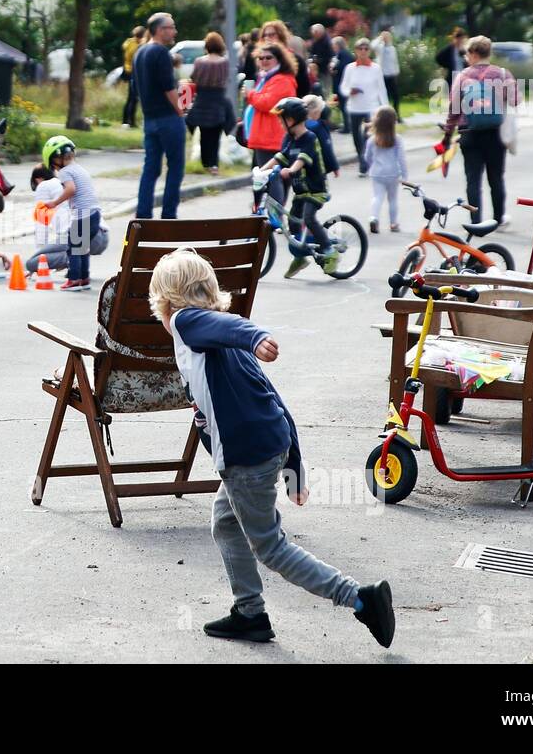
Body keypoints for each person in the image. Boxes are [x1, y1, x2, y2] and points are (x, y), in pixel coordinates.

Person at [147, 249, 395, 648]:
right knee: (226, 523)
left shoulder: (185, 322)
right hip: (267, 448)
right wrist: (294, 464)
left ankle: (360, 598)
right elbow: (275, 400)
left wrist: (256, 335)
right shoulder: (223, 348)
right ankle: (250, 614)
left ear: (166, 301)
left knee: (271, 547)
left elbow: (215, 321)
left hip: (247, 459)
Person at [256, 97, 338, 278]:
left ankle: (329, 250)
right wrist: (261, 170)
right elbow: (280, 156)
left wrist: (291, 170)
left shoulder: (309, 138)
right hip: (301, 191)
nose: (279, 123)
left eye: (281, 119)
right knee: (293, 221)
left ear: (291, 120)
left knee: (308, 218)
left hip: (316, 190)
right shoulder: (290, 139)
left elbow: (302, 158)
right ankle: (300, 256)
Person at [449, 35, 517, 227]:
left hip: (469, 133)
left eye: (467, 53)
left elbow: (453, 108)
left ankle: (475, 221)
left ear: (473, 53)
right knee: (496, 178)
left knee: (473, 180)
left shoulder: (463, 77)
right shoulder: (503, 74)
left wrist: (448, 133)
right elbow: (515, 100)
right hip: (495, 134)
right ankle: (498, 219)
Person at [133, 12, 187, 219]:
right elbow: (168, 88)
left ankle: (143, 214)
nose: (175, 31)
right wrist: (180, 110)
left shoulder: (140, 52)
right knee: (175, 168)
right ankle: (169, 215)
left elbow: (135, 86)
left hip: (150, 118)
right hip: (168, 118)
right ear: (159, 30)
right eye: (171, 27)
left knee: (151, 168)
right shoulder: (161, 53)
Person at [41, 135, 101, 291]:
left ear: (56, 158)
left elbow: (71, 189)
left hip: (82, 215)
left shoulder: (65, 172)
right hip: (94, 213)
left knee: (73, 248)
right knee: (82, 247)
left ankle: (74, 279)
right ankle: (84, 278)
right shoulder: (79, 168)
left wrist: (54, 203)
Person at [243, 42, 299, 206]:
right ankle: (274, 218)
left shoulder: (282, 80)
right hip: (266, 136)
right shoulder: (266, 77)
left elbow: (267, 103)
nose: (264, 61)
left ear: (279, 59)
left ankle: (274, 221)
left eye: (269, 57)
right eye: (261, 58)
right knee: (275, 179)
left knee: (272, 178)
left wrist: (250, 95)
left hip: (273, 137)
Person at [26, 166, 108, 271]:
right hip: (102, 236)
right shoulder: (67, 181)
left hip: (79, 236)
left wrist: (40, 259)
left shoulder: (43, 186)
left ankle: (74, 260)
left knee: (31, 263)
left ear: (38, 179)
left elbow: (42, 223)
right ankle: (75, 264)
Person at [338, 37, 390, 176]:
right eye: (360, 48)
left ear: (369, 51)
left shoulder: (375, 68)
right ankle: (361, 157)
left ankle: (364, 160)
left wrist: (386, 108)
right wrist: (350, 92)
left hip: (370, 107)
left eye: (366, 48)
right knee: (356, 136)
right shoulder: (350, 68)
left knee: (367, 134)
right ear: (355, 51)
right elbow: (343, 87)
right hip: (354, 107)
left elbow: (381, 89)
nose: (363, 51)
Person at [186, 31, 236, 175]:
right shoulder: (224, 62)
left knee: (203, 133)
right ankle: (213, 164)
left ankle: (205, 162)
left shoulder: (199, 61)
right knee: (215, 135)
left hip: (202, 99)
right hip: (218, 99)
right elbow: (227, 79)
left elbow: (193, 78)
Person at [364, 106, 407, 234]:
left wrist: (371, 165)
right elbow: (401, 158)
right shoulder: (397, 139)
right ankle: (393, 223)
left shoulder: (372, 139)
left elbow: (367, 156)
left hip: (377, 173)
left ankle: (374, 218)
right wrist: (404, 174)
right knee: (392, 199)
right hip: (392, 173)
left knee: (377, 197)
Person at [258, 20, 311, 96]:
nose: (267, 38)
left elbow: (304, 89)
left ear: (281, 36)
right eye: (264, 35)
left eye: (271, 35)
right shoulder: (261, 58)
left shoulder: (294, 60)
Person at [301, 95, 340, 177]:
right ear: (316, 112)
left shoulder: (299, 126)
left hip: (301, 167)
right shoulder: (318, 127)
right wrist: (334, 166)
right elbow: (326, 147)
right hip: (317, 167)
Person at [120, 25, 145, 128]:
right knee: (133, 98)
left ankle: (126, 120)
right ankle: (131, 121)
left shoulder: (129, 42)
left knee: (131, 98)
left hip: (127, 70)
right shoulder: (136, 46)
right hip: (133, 72)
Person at [329, 36, 354, 133]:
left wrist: (334, 68)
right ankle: (347, 125)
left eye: (334, 45)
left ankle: (348, 127)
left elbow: (343, 67)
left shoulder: (343, 54)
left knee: (344, 105)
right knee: (343, 105)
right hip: (342, 83)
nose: (333, 47)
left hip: (342, 83)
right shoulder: (342, 54)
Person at [377, 27, 401, 119]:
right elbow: (373, 45)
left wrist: (397, 71)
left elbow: (395, 61)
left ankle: (397, 115)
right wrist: (380, 38)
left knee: (396, 96)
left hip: (392, 75)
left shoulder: (392, 48)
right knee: (384, 96)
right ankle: (383, 116)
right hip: (383, 75)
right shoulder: (380, 48)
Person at [309, 23, 335, 99]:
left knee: (326, 89)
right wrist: (312, 58)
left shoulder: (327, 42)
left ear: (320, 33)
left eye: (315, 34)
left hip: (325, 69)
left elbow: (330, 56)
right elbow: (312, 52)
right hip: (317, 68)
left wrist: (319, 60)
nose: (314, 36)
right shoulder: (315, 41)